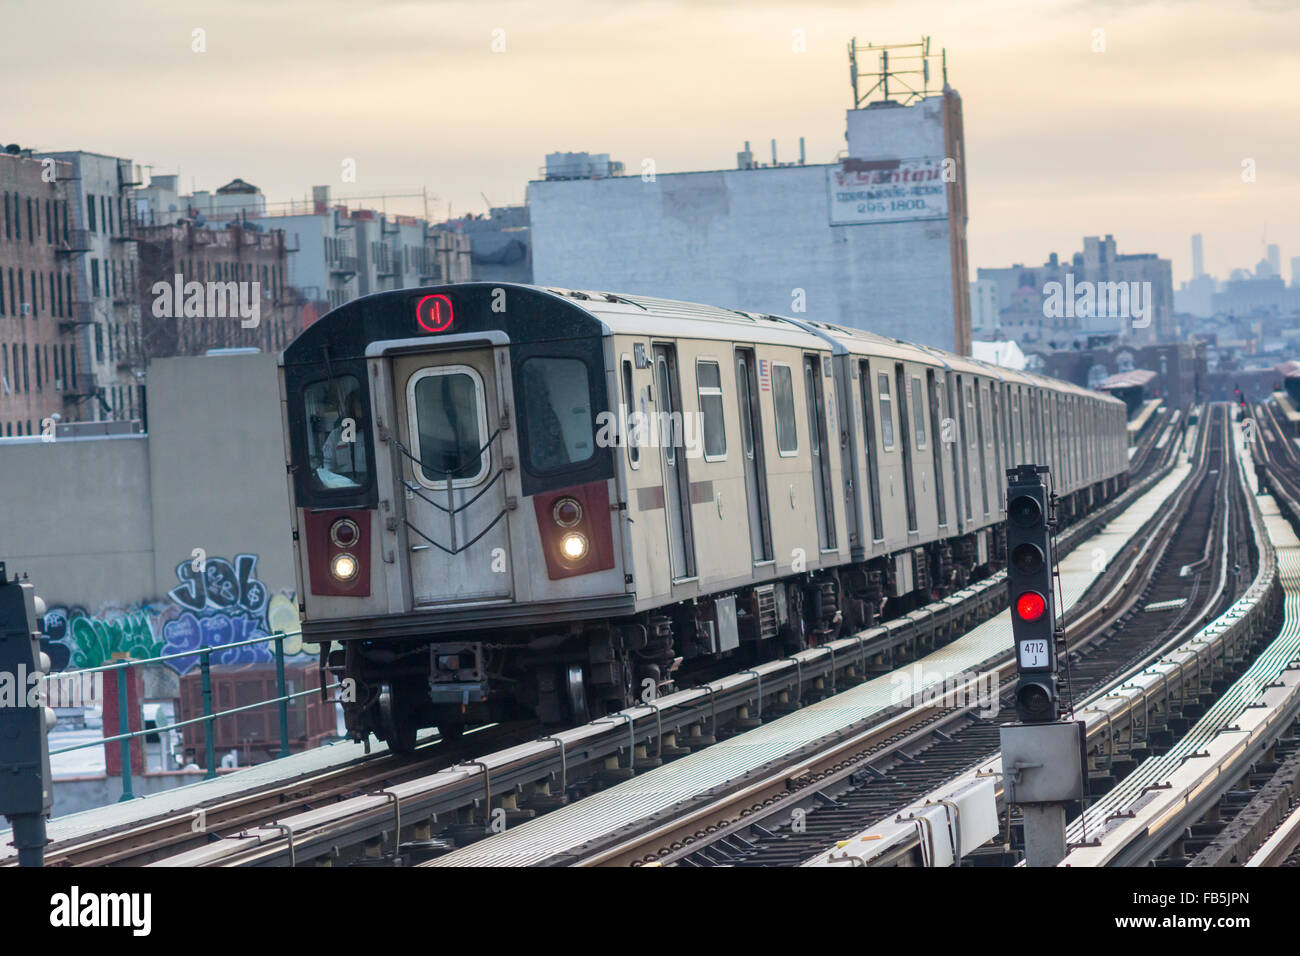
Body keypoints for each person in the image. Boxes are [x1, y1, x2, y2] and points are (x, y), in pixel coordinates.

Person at [323, 391, 367, 481]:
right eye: (350, 409)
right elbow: (328, 464)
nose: (354, 414)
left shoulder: (372, 434)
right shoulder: (335, 435)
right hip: (343, 486)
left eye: (358, 409)